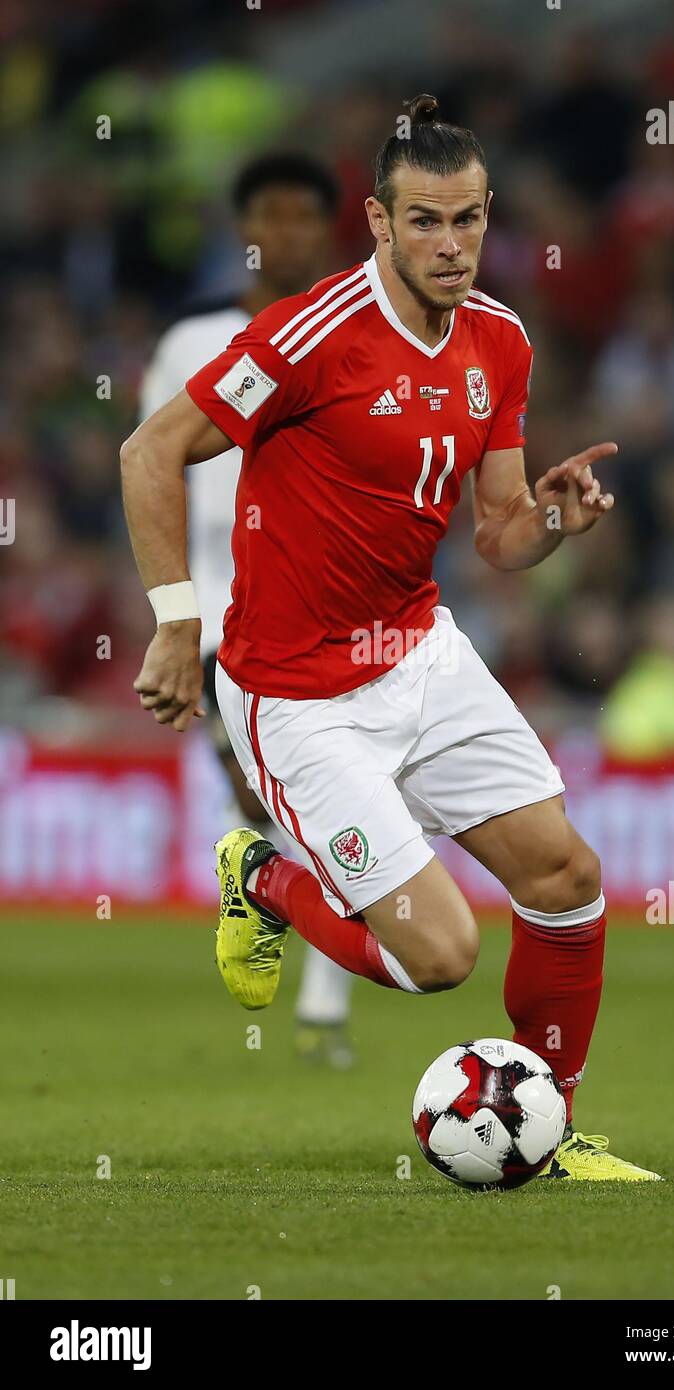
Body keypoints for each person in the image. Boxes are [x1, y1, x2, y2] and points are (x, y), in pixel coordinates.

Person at [121, 95, 660, 1180]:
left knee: (565, 878)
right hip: (296, 692)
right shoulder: (304, 334)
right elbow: (150, 450)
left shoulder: (499, 342)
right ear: (377, 221)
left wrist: (554, 516)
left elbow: (501, 535)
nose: (451, 244)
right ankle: (263, 875)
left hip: (419, 653)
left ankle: (553, 1131)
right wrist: (179, 626)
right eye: (425, 221)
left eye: (467, 220)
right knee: (440, 958)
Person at [138, 152, 355, 1068]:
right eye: (272, 213)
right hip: (228, 610)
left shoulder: (364, 326)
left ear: (333, 227)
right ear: (244, 228)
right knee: (266, 794)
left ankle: (322, 1005)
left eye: (306, 215)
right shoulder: (192, 341)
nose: (290, 232)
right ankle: (303, 962)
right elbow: (151, 471)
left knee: (340, 794)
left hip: (345, 601)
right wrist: (169, 615)